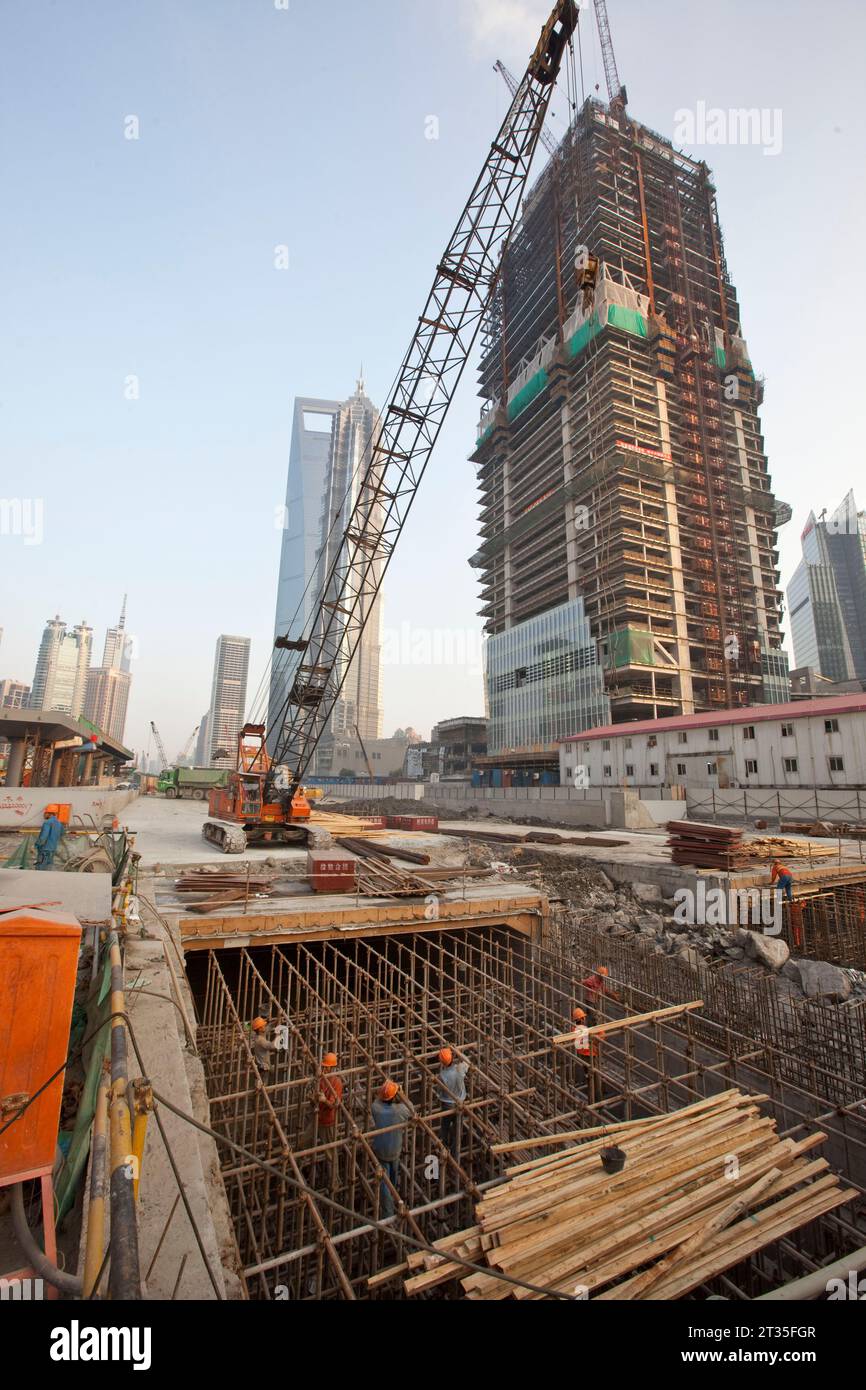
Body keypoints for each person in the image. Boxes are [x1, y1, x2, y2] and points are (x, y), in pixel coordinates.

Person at [370, 1080, 414, 1218]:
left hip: (380, 1150)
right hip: (395, 1150)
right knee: (392, 1179)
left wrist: (386, 1091)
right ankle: (390, 1209)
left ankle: (388, 1209)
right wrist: (401, 1094)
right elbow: (411, 1108)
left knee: (384, 1181)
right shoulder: (399, 1111)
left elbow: (378, 1098)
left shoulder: (376, 1108)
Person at [302, 1052, 343, 1190]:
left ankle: (334, 1182)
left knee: (331, 1154)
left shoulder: (337, 1083)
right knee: (302, 1143)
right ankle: (302, 1169)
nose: (324, 1069)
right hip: (317, 1118)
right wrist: (313, 1098)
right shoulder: (321, 1079)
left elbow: (335, 1104)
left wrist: (324, 1100)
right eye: (323, 1067)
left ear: (332, 1068)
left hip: (328, 1122)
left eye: (327, 1067)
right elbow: (312, 1096)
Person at [436, 1046, 469, 1160]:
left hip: (446, 1105)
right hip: (460, 1103)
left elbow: (439, 1092)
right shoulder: (460, 1068)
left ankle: (444, 1147)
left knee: (445, 1127)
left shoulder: (442, 1076)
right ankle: (455, 1152)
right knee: (457, 1128)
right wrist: (456, 1051)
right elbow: (467, 1062)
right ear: (453, 1057)